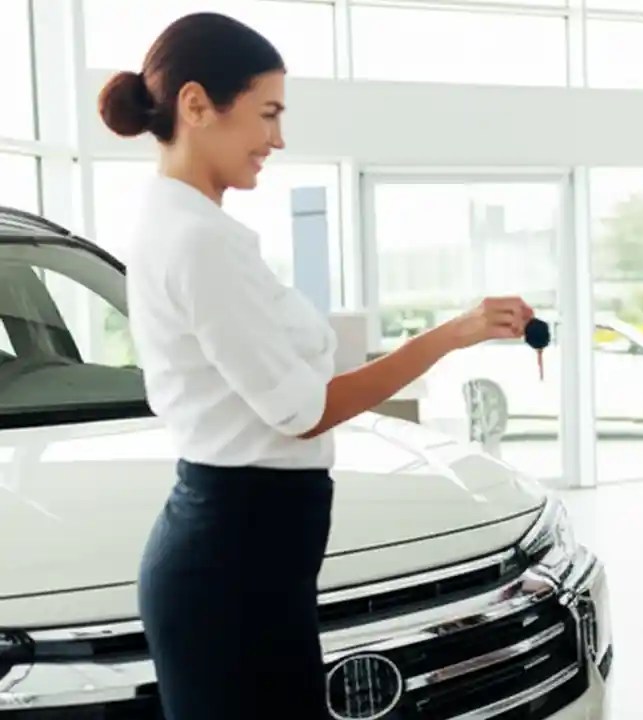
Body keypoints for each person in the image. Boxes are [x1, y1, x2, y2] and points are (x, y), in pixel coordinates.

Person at [98, 13, 532, 719]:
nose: (278, 139)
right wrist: (455, 333)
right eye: (268, 113)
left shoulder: (187, 227)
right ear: (197, 104)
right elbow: (303, 411)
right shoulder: (198, 241)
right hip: (235, 562)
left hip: (243, 553)